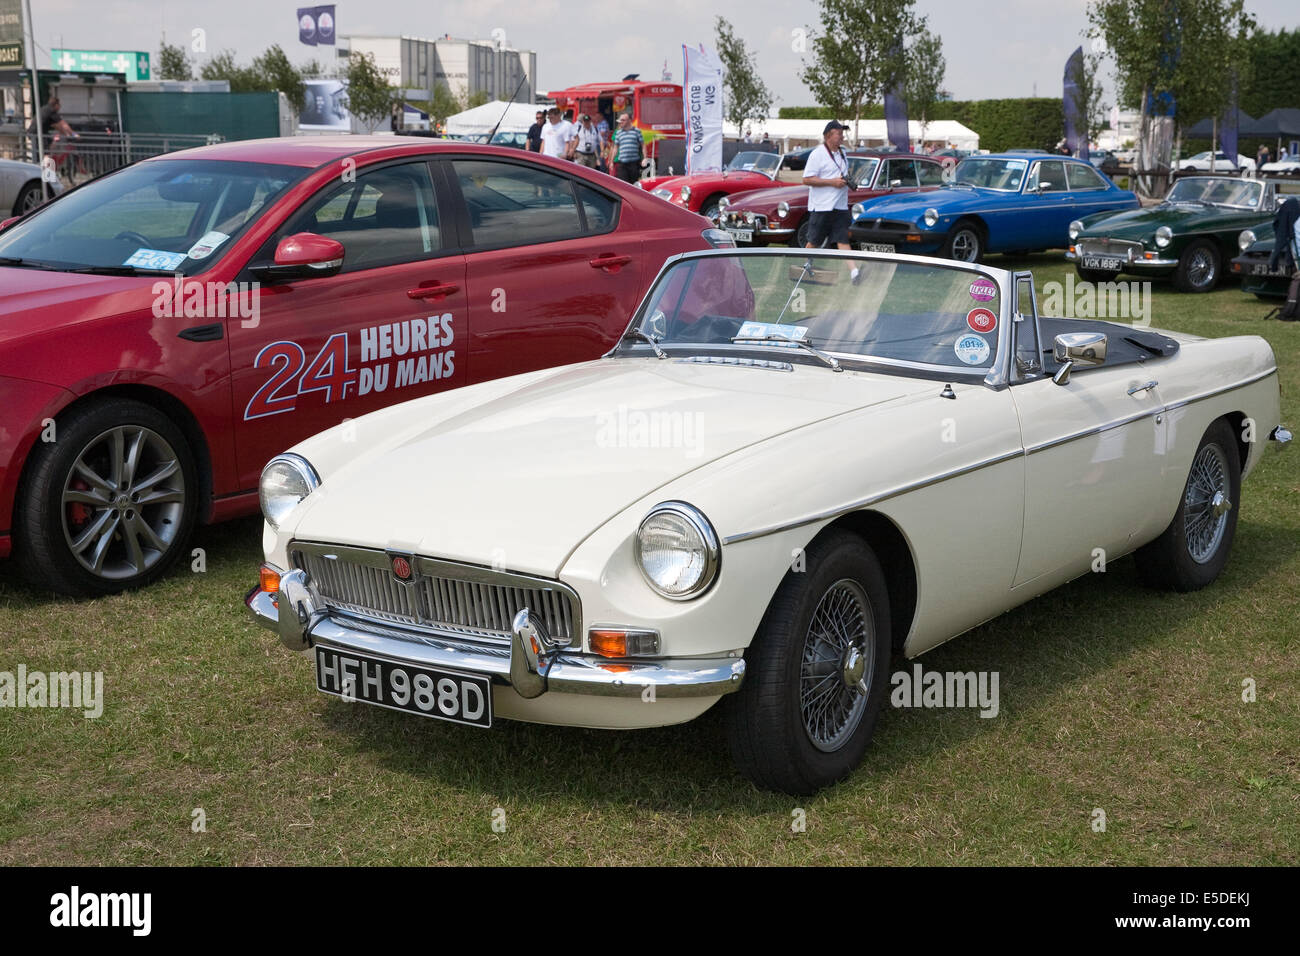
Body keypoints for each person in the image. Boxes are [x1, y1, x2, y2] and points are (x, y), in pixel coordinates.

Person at [802, 120, 857, 279]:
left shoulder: (842, 152)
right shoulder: (817, 154)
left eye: (842, 133)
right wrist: (832, 182)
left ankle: (854, 272)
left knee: (842, 238)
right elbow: (806, 179)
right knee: (814, 241)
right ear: (828, 136)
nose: (842, 137)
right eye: (838, 134)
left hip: (840, 206)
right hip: (822, 206)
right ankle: (806, 266)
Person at [27, 95, 76, 162]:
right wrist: (73, 134)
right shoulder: (51, 111)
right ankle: (44, 167)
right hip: (38, 134)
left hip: (35, 133)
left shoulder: (45, 109)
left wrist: (65, 133)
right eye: (59, 105)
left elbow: (56, 126)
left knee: (50, 143)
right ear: (56, 105)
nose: (60, 107)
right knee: (45, 152)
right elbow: (63, 124)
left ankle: (43, 160)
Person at [612, 112, 644, 183]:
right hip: (622, 163)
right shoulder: (618, 132)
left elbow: (643, 145)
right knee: (623, 184)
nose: (620, 122)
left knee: (633, 184)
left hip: (634, 163)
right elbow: (615, 148)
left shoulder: (637, 131)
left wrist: (644, 158)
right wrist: (611, 161)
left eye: (623, 120)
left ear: (629, 120)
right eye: (620, 120)